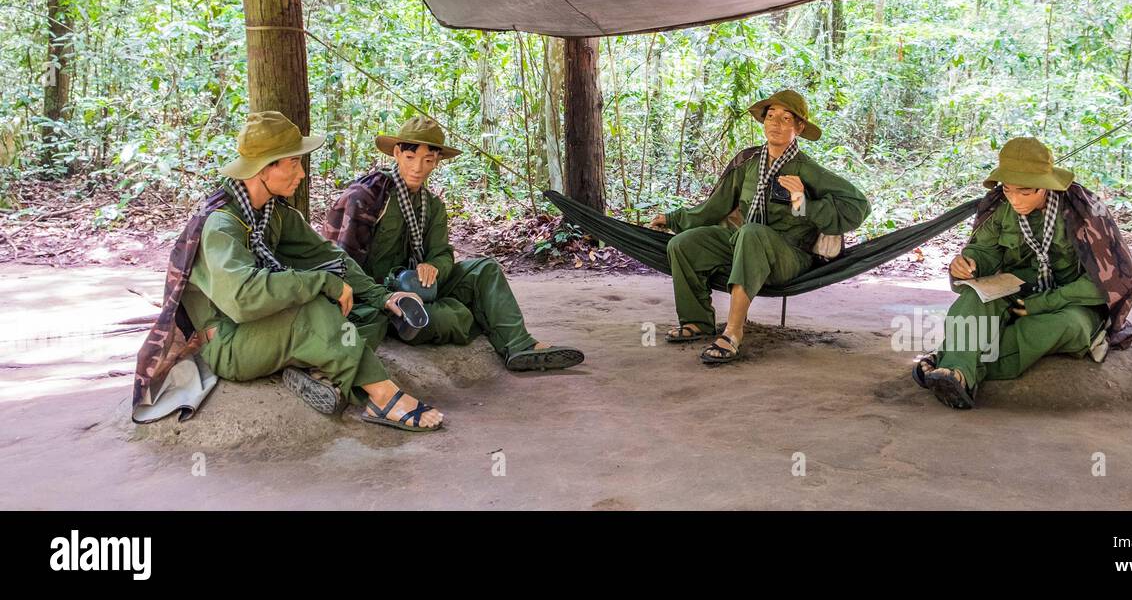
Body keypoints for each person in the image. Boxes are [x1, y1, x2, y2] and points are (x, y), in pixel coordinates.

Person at [133, 111, 443, 432]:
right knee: (313, 307)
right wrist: (320, 282)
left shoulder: (272, 212)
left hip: (265, 328)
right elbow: (243, 298)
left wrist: (382, 297)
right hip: (230, 341)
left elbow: (328, 257)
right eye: (293, 164)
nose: (302, 174)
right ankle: (381, 396)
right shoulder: (222, 223)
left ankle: (319, 372)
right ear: (265, 168)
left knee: (367, 313)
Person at [325, 116, 584, 372]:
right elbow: (341, 262)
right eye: (410, 158)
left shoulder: (432, 205)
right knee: (454, 318)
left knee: (485, 270)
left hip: (419, 286)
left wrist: (434, 265)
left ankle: (520, 346)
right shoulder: (368, 196)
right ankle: (450, 318)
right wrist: (383, 296)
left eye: (427, 160)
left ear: (437, 162)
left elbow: (442, 253)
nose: (417, 168)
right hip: (375, 295)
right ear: (396, 153)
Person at [914, 137, 1132, 409]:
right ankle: (958, 373)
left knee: (1068, 327)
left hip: (1071, 302)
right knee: (972, 300)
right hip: (1015, 291)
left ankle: (955, 366)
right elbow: (986, 252)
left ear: (1045, 185)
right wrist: (968, 262)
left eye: (1025, 191)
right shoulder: (1000, 207)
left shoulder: (1084, 212)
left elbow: (1105, 283)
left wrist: (1041, 303)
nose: (1015, 199)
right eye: (1008, 190)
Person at [648, 89, 870, 363]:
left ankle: (732, 333)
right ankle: (697, 321)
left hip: (788, 256)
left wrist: (804, 203)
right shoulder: (748, 162)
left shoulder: (807, 170)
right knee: (682, 245)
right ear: (763, 121)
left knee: (751, 234)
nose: (776, 123)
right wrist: (673, 219)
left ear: (798, 128)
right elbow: (715, 207)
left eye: (786, 118)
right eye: (771, 116)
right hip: (742, 243)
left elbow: (858, 206)